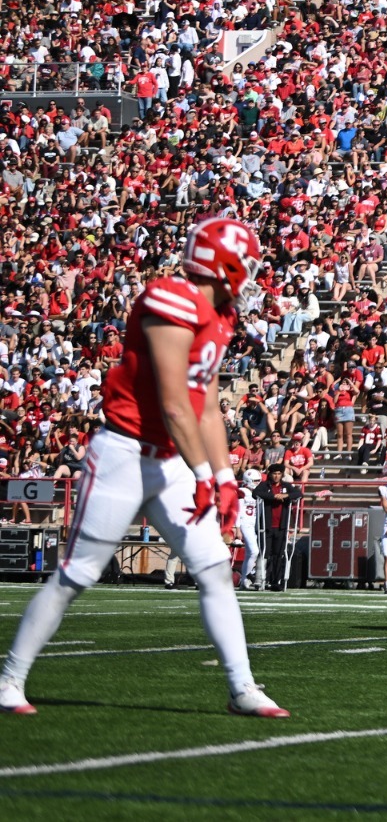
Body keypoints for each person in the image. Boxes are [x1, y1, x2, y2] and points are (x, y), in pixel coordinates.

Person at [0, 217, 286, 718]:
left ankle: (243, 687)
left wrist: (224, 477)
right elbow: (175, 401)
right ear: (222, 266)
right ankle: (10, 679)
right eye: (244, 265)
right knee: (76, 573)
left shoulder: (221, 315)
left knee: (215, 568)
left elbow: (207, 404)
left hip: (174, 459)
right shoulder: (173, 299)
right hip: (126, 454)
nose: (249, 276)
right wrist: (203, 475)